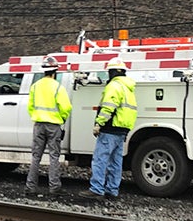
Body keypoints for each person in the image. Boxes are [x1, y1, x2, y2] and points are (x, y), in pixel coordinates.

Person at [80, 57, 137, 201]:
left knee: (100, 159)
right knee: (115, 162)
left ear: (112, 72)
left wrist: (99, 123)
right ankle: (112, 190)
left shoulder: (114, 86)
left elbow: (108, 108)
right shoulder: (128, 89)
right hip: (122, 130)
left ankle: (97, 189)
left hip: (110, 129)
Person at [25, 56, 72, 196]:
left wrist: (37, 117)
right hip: (54, 126)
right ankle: (54, 187)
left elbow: (30, 107)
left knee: (36, 156)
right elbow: (66, 107)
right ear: (55, 72)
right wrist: (62, 118)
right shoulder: (58, 87)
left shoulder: (35, 86)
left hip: (38, 124)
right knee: (53, 157)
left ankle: (30, 187)